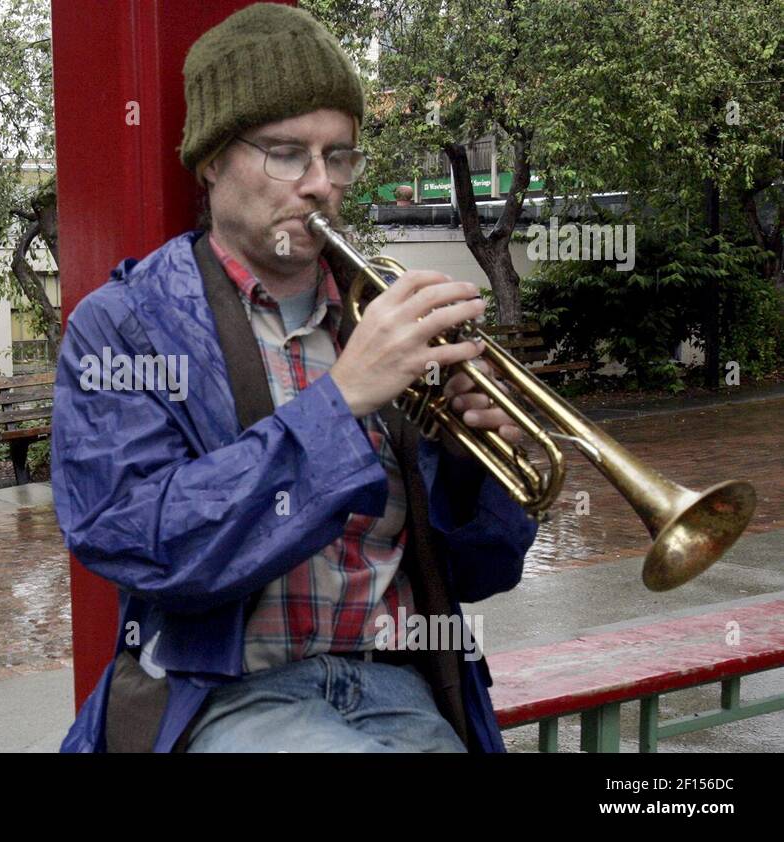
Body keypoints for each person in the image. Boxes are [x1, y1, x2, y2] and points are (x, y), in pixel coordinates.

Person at [51, 2, 537, 753]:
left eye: (338, 155)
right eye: (286, 153)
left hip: (399, 685)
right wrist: (338, 404)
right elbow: (133, 538)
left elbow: (482, 573)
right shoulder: (123, 326)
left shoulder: (383, 316)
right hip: (225, 697)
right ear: (212, 160)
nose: (319, 184)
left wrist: (477, 467)